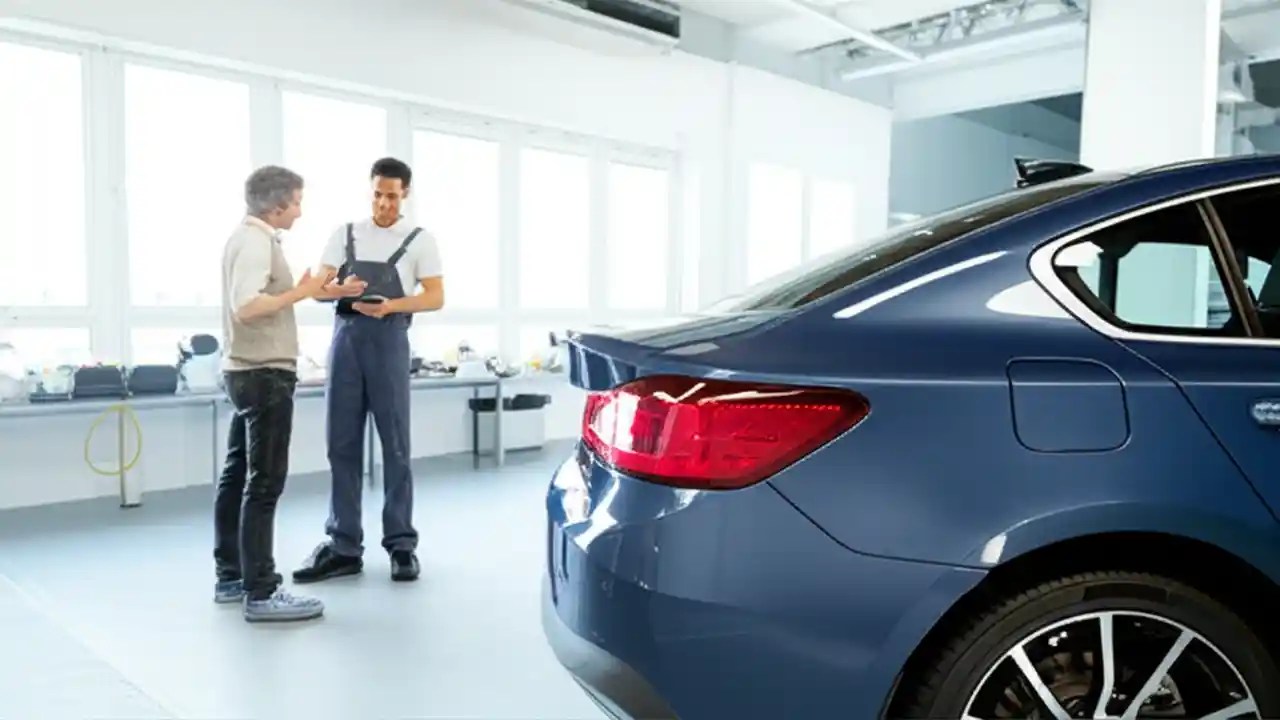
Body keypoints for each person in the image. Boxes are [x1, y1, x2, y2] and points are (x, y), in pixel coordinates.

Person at [293, 156, 445, 585]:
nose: (383, 203)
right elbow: (318, 289)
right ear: (370, 190)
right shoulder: (345, 235)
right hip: (345, 343)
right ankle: (343, 545)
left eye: (391, 196)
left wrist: (391, 306)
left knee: (395, 446)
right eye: (377, 194)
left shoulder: (419, 240)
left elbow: (435, 296)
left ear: (405, 194)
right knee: (341, 444)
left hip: (389, 341)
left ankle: (401, 545)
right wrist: (337, 289)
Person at [214, 165, 335, 622]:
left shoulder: (246, 239)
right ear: (276, 205)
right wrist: (300, 293)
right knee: (264, 484)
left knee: (237, 475)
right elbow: (246, 307)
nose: (300, 212)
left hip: (245, 371)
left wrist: (313, 290)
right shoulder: (255, 241)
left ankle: (232, 576)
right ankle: (262, 591)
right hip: (263, 374)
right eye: (297, 203)